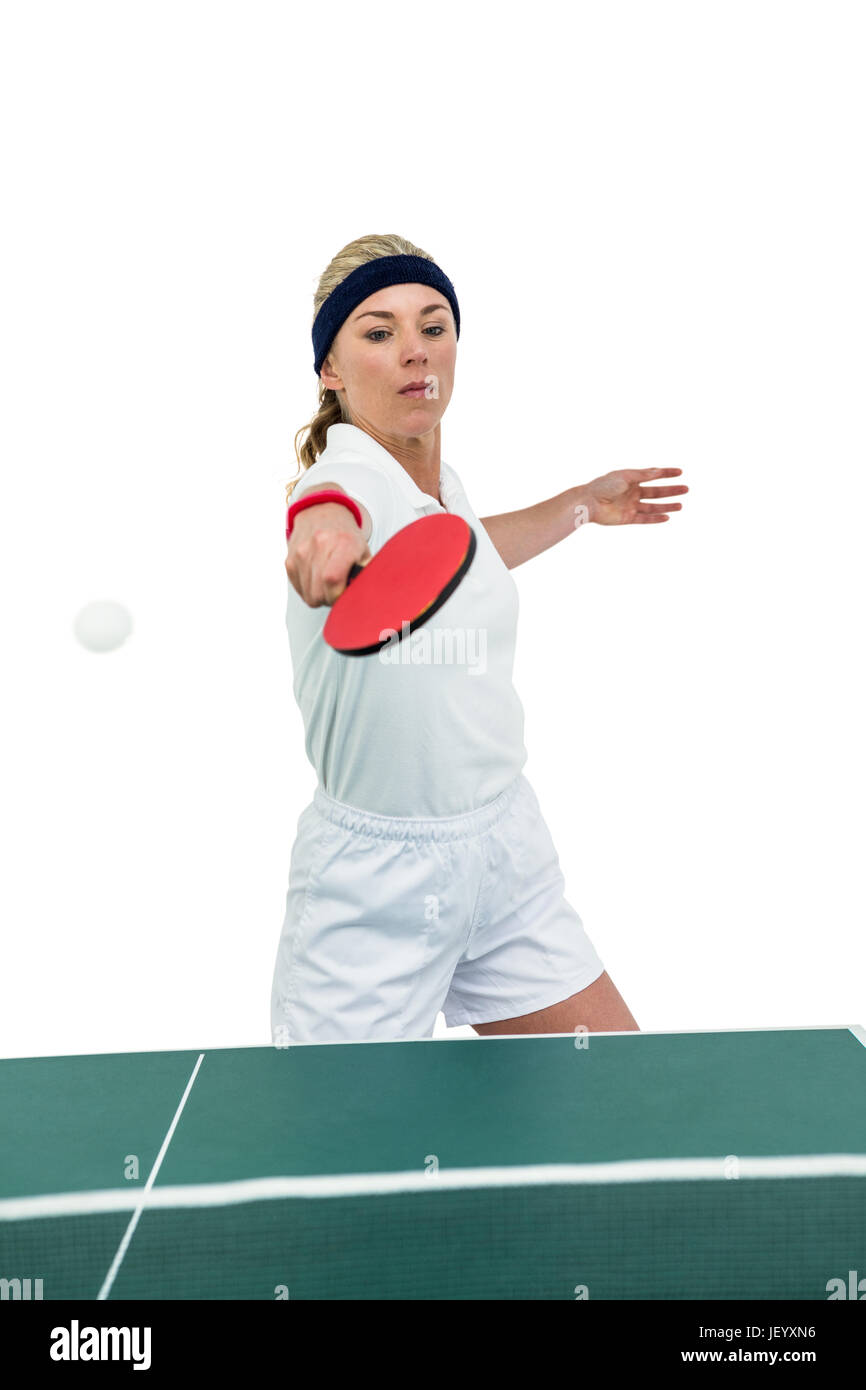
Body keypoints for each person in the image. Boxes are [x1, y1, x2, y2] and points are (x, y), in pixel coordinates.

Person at [271, 233, 687, 1044]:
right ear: (331, 368)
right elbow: (326, 510)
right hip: (373, 887)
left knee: (620, 1094)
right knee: (337, 1149)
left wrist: (579, 505)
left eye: (434, 326)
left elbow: (460, 554)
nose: (414, 353)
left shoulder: (435, 489)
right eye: (379, 332)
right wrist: (320, 541)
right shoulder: (348, 475)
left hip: (503, 851)